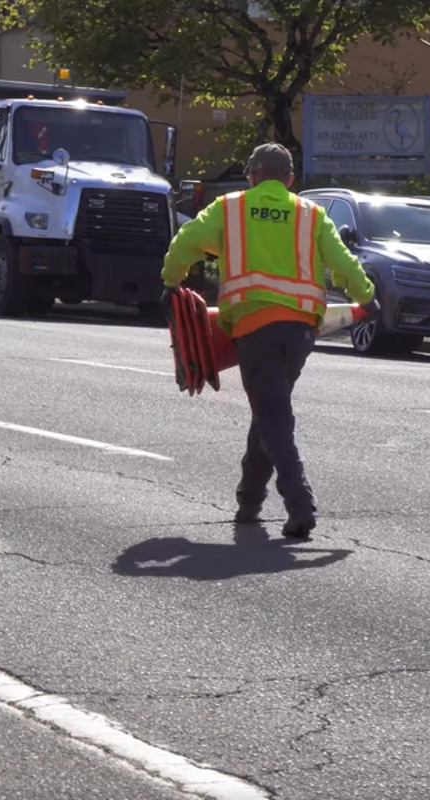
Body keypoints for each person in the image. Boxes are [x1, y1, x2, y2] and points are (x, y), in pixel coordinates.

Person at [160, 143, 378, 539]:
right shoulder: (311, 214)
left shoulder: (231, 208)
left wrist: (171, 282)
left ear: (252, 177)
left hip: (254, 326)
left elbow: (186, 242)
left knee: (272, 413)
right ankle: (249, 501)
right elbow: (343, 262)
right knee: (269, 408)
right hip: (300, 330)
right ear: (290, 179)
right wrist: (366, 297)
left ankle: (300, 504)